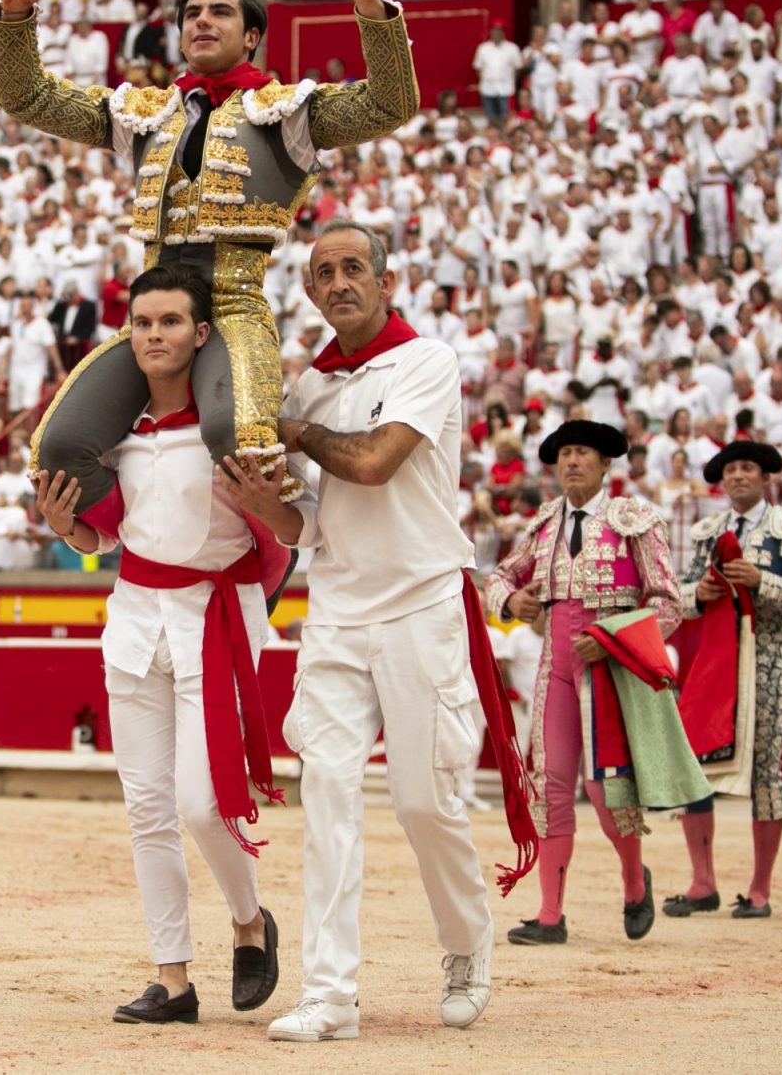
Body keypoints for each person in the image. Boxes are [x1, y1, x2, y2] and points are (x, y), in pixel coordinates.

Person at [217, 221, 530, 1041]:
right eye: (326, 272)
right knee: (326, 794)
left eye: (355, 267)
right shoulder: (308, 390)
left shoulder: (425, 361)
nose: (340, 281)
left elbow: (372, 462)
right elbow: (310, 521)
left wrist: (291, 432)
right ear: (313, 293)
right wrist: (262, 506)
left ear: (384, 282)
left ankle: (466, 943)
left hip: (422, 603)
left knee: (427, 802)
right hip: (338, 611)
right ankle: (330, 990)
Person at [0, 0, 418, 513]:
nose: (202, 22)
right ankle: (142, 539)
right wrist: (14, 17)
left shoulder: (283, 112)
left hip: (233, 307)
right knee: (57, 447)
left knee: (236, 436)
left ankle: (287, 543)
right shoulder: (143, 114)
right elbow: (27, 97)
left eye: (219, 12)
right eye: (192, 14)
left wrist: (370, 10)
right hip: (156, 314)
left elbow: (390, 103)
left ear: (251, 38)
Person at [31, 265, 283, 1027]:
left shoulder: (232, 432)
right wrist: (64, 529)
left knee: (201, 806)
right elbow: (102, 534)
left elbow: (281, 538)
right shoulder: (120, 440)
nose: (153, 336)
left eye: (170, 322)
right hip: (137, 618)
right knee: (146, 807)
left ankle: (249, 920)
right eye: (142, 323)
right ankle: (171, 978)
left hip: (215, 614)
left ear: (200, 334)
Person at [487, 417, 695, 946]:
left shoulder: (634, 520)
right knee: (551, 783)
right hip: (555, 661)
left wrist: (613, 640)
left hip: (609, 669)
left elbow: (668, 601)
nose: (572, 462)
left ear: (606, 465)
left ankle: (633, 883)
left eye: (583, 453)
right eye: (565, 454)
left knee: (605, 788)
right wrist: (511, 602)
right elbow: (499, 575)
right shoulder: (545, 522)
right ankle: (550, 914)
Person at [666, 441, 782, 922]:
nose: (738, 475)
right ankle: (703, 882)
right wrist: (702, 591)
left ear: (765, 477)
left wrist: (761, 581)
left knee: (764, 772)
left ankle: (759, 889)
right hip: (714, 662)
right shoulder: (707, 532)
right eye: (731, 469)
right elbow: (679, 595)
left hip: (768, 660)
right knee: (694, 765)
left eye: (747, 468)